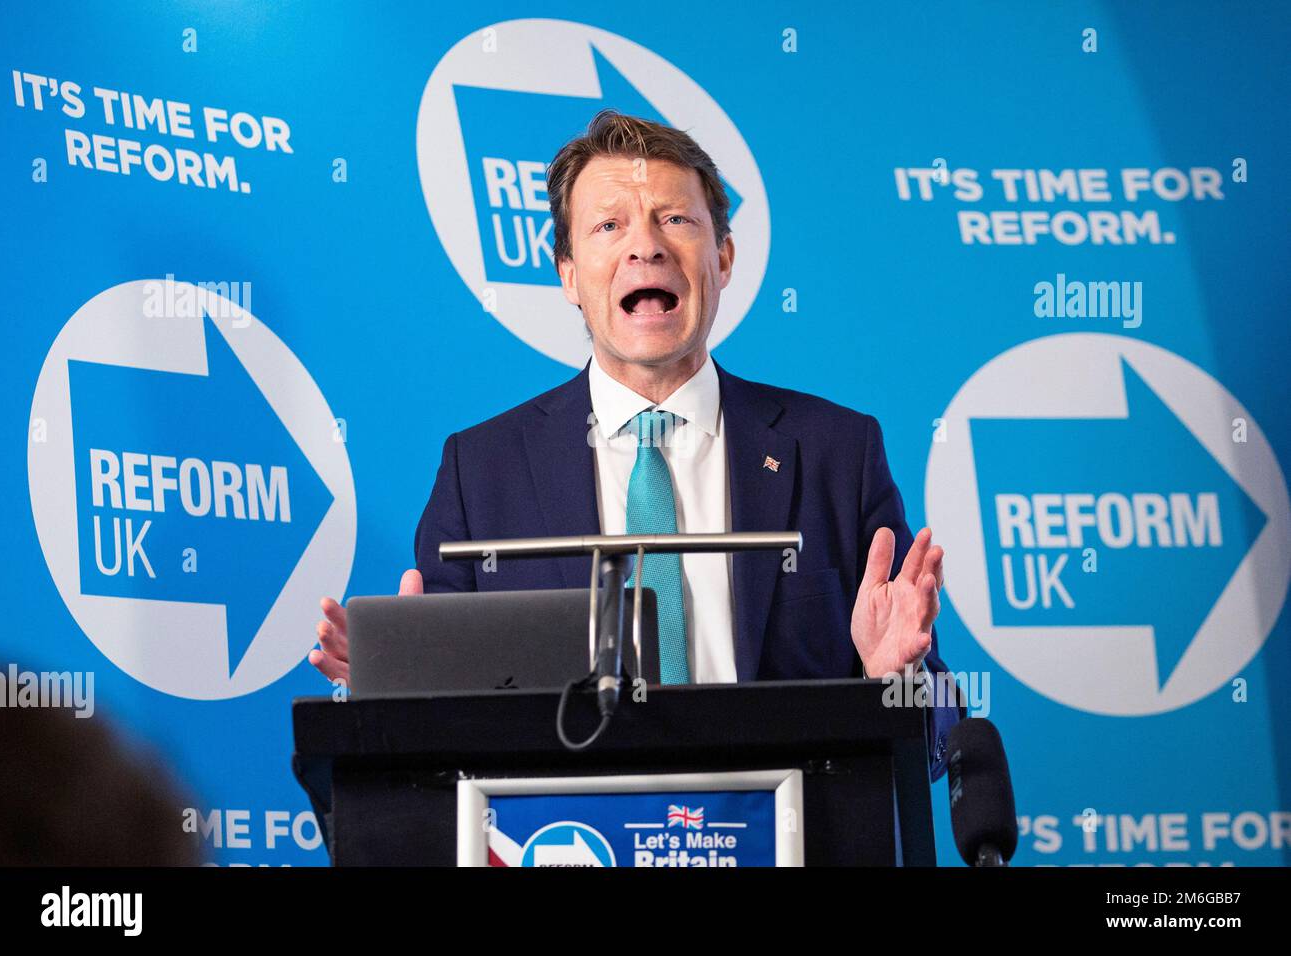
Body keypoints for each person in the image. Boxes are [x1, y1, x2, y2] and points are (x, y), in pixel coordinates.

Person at [310, 110, 962, 779]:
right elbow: (446, 748)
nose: (645, 247)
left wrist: (895, 683)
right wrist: (393, 700)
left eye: (675, 219)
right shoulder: (482, 474)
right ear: (567, 273)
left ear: (725, 258)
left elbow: (942, 725)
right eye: (609, 225)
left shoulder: (837, 454)